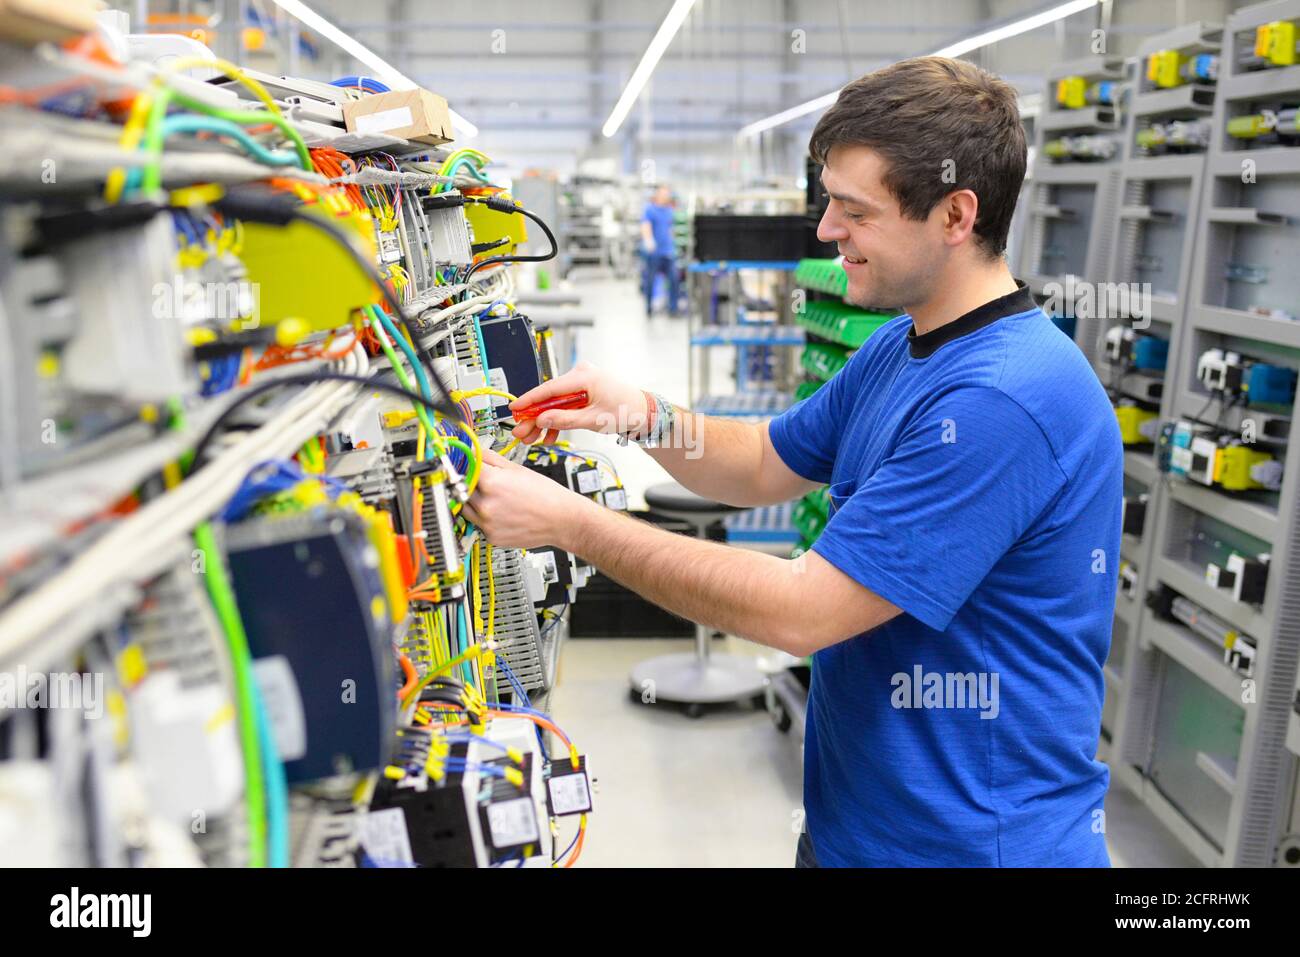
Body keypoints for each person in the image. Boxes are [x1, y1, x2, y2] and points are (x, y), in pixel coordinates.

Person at [465, 57, 1122, 867]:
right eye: (827, 204)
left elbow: (800, 612)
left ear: (956, 213)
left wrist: (574, 524)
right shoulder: (902, 345)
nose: (824, 232)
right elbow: (765, 463)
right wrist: (642, 413)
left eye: (854, 210)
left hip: (971, 849)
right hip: (858, 830)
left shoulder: (1004, 400)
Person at [640, 184, 682, 316]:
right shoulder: (650, 210)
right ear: (657, 195)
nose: (667, 196)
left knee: (674, 279)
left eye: (668, 194)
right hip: (654, 253)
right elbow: (645, 225)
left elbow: (671, 229)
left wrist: (674, 243)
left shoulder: (669, 211)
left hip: (668, 252)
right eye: (664, 193)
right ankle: (649, 308)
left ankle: (673, 308)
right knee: (650, 281)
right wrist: (648, 240)